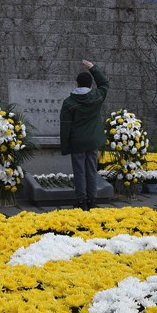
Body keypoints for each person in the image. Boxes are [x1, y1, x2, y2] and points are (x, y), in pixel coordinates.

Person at [59, 60, 110, 211]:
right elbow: (105, 84)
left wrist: (65, 146)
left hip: (77, 142)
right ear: (90, 84)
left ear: (77, 84)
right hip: (93, 140)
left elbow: (65, 126)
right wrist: (94, 68)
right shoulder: (97, 96)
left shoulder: (69, 103)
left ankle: (81, 201)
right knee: (92, 170)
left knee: (79, 172)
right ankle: (92, 200)